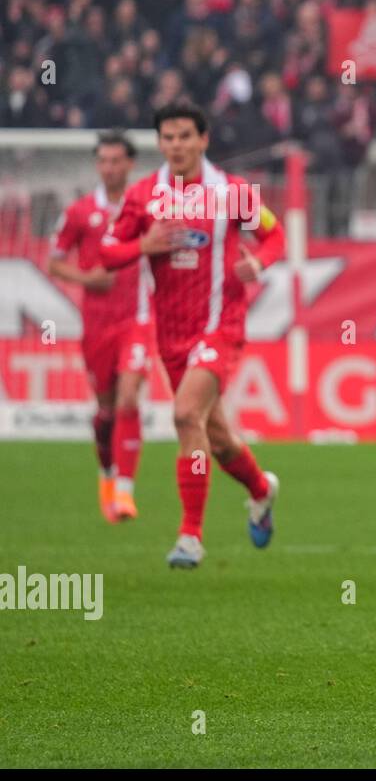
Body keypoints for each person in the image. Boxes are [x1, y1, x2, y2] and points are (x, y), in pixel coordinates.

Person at [100, 100, 284, 568]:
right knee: (217, 438)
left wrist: (259, 262)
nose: (176, 145)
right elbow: (107, 252)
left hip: (220, 327)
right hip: (172, 335)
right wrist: (145, 244)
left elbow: (275, 234)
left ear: (204, 139)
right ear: (159, 143)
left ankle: (190, 536)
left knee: (185, 416)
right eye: (168, 137)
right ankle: (261, 490)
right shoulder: (144, 195)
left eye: (185, 136)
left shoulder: (233, 193)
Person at [47, 131, 155, 522]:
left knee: (129, 397)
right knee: (105, 412)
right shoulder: (78, 213)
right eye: (103, 161)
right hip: (96, 325)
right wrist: (87, 278)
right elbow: (54, 261)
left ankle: (125, 491)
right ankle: (107, 475)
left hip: (137, 318)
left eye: (116, 161)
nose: (109, 168)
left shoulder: (145, 208)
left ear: (129, 164)